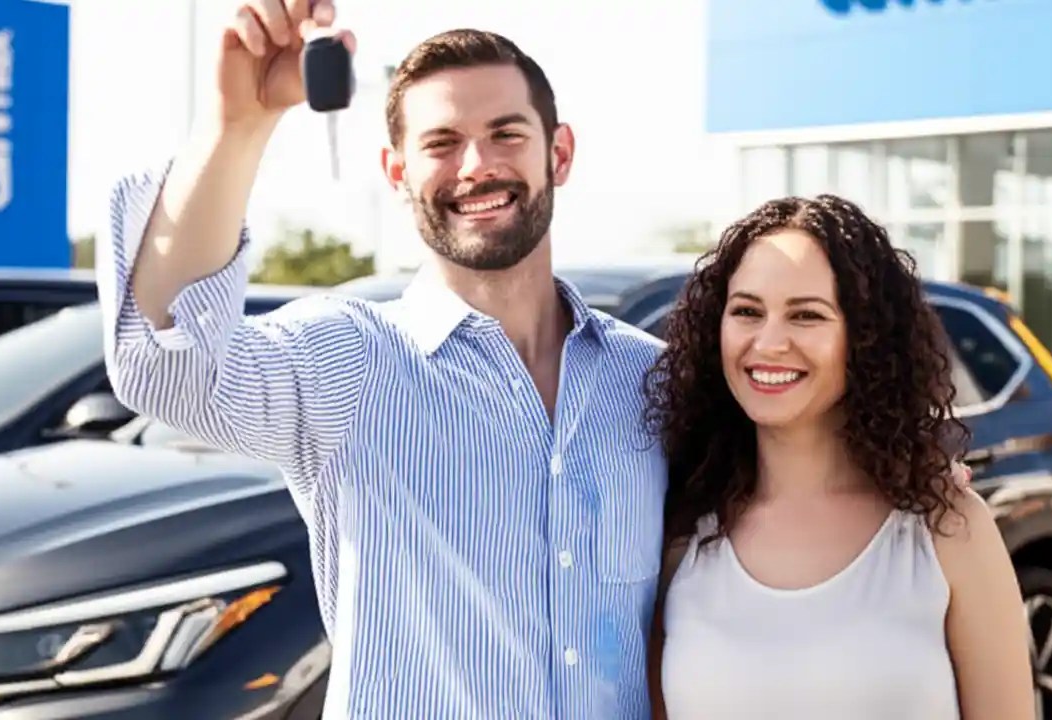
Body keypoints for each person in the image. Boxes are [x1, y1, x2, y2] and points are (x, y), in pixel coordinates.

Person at [98, 3, 666, 717]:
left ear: (559, 154)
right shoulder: (350, 358)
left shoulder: (651, 381)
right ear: (397, 172)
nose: (476, 166)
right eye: (442, 143)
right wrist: (236, 125)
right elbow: (167, 368)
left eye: (506, 134)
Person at [643, 195, 1036, 719]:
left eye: (806, 315)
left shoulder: (947, 530)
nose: (769, 342)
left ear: (865, 339)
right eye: (747, 312)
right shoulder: (682, 537)